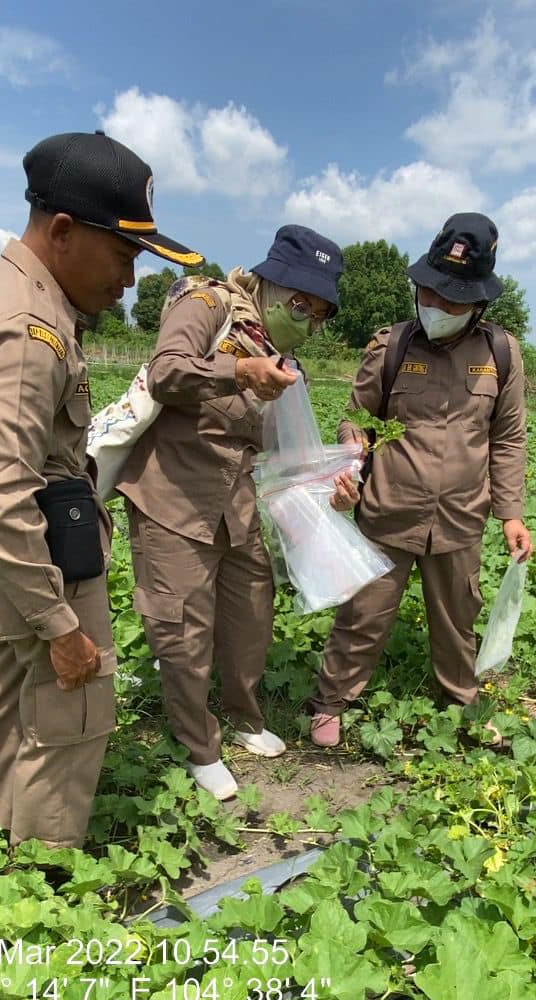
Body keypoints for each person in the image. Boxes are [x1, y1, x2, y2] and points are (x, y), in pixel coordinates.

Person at [0, 130, 203, 848]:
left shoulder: (20, 295)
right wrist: (61, 627)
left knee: (12, 700)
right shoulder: (29, 329)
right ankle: (44, 873)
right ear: (62, 232)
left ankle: (7, 829)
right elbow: (0, 496)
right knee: (68, 714)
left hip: (22, 559)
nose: (129, 281)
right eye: (123, 256)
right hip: (39, 562)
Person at [116, 225, 357, 800]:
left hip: (237, 503)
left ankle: (244, 715)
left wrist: (332, 486)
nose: (307, 321)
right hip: (172, 496)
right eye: (300, 305)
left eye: (319, 315)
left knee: (251, 616)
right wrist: (240, 372)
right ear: (269, 283)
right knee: (183, 629)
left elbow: (282, 455)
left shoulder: (283, 360)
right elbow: (166, 372)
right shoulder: (207, 303)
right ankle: (199, 744)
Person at [309, 212, 533, 747]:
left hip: (461, 517)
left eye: (452, 300)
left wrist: (511, 514)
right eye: (428, 292)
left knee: (458, 617)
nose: (435, 306)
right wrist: (351, 447)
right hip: (389, 509)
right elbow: (356, 417)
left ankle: (462, 699)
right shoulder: (390, 347)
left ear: (478, 303)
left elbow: (508, 439)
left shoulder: (501, 354)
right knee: (363, 613)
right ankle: (331, 700)